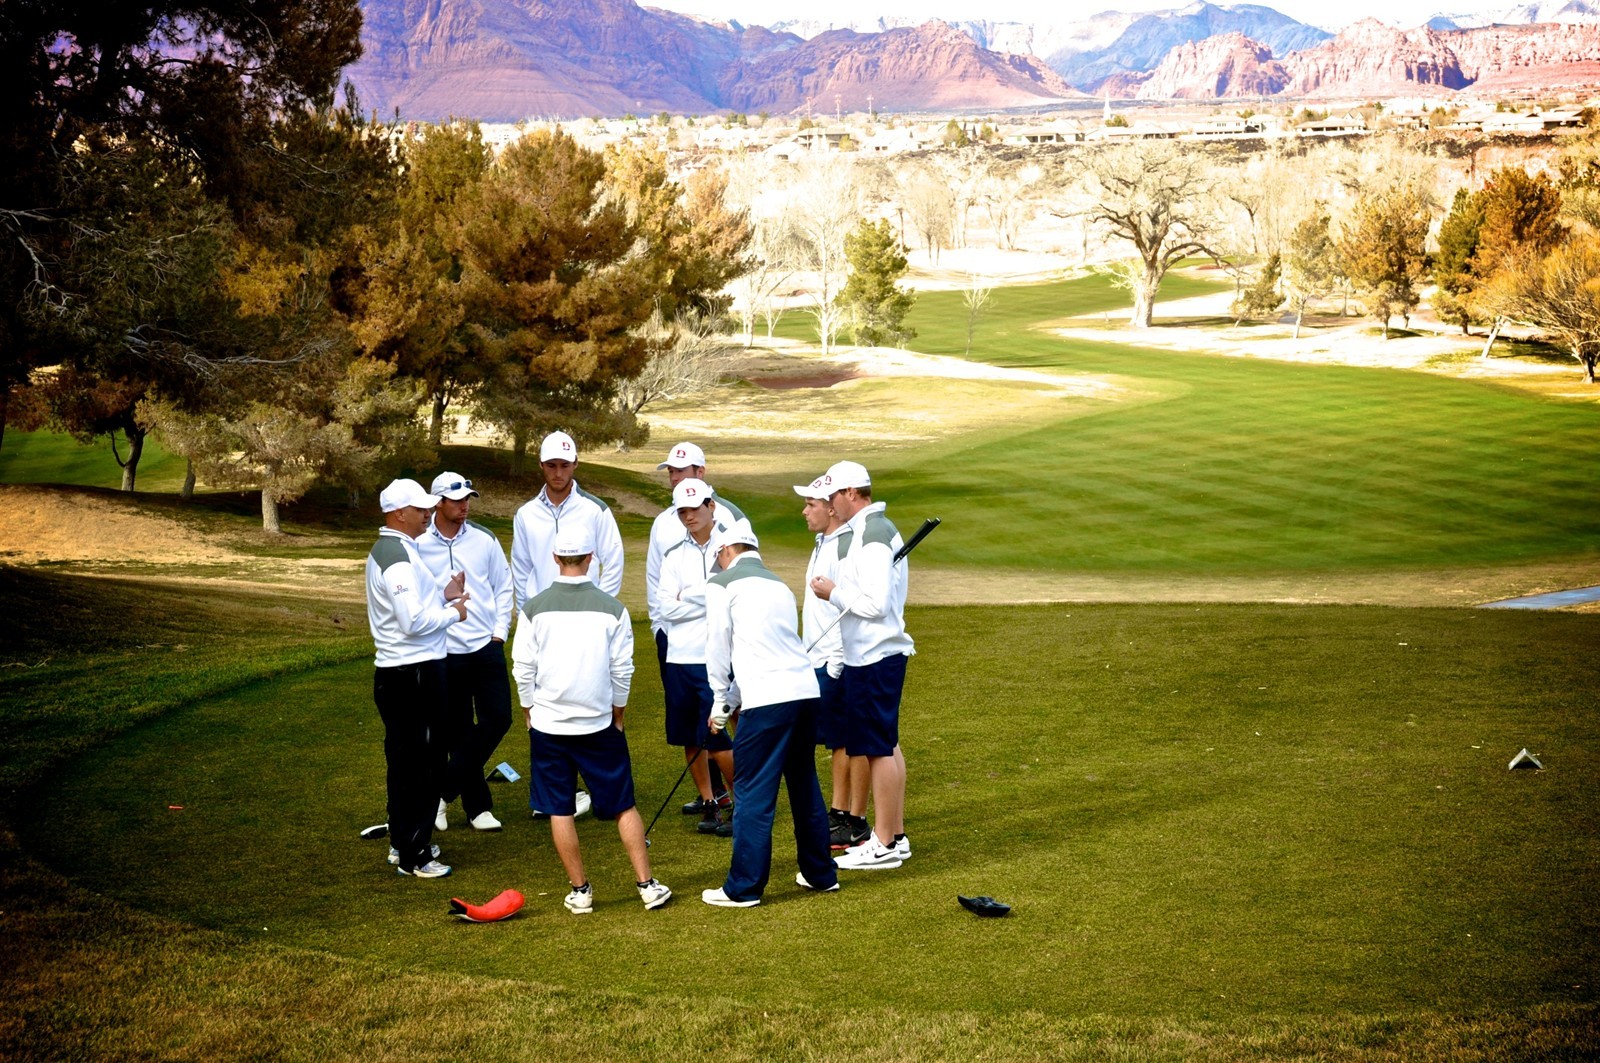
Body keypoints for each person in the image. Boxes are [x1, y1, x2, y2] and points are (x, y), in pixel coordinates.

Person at [511, 526, 670, 914]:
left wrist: (529, 708)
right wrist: (619, 711)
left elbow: (523, 668)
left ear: (555, 558)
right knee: (622, 805)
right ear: (590, 558)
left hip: (549, 725)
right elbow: (622, 670)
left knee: (559, 808)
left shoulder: (533, 607)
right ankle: (646, 885)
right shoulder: (612, 609)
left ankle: (580, 891)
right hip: (599, 724)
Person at [700, 519, 839, 907]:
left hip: (769, 701)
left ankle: (743, 888)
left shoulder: (721, 584)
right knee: (803, 782)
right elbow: (760, 649)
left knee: (753, 792)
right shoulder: (777, 583)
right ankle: (820, 874)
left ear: (727, 552)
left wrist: (716, 699)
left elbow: (717, 646)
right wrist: (729, 701)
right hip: (804, 693)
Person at [808, 460, 913, 872]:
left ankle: (884, 841)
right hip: (872, 654)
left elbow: (875, 603)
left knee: (877, 749)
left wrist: (833, 592)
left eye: (834, 496)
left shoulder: (871, 534)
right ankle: (895, 835)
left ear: (852, 493)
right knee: (885, 744)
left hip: (874, 654)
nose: (831, 506)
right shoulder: (869, 530)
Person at [511, 430, 621, 818]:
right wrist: (530, 617)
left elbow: (612, 562)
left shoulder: (595, 510)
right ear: (542, 466)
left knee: (594, 694)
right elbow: (520, 569)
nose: (558, 472)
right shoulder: (526, 514)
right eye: (552, 465)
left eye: (565, 465)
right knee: (544, 699)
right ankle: (558, 791)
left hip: (588, 620)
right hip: (544, 621)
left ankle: (603, 790)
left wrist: (597, 609)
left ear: (576, 465)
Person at [366, 478, 469, 878]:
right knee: (421, 764)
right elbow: (411, 621)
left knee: (408, 759)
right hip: (413, 673)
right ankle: (414, 853)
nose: (429, 513)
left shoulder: (400, 548)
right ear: (398, 514)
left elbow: (416, 604)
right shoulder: (395, 554)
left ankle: (404, 841)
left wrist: (444, 595)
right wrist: (454, 614)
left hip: (410, 670)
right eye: (421, 508)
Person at [645, 441, 742, 818]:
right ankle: (709, 799)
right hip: (677, 647)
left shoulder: (730, 528)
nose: (675, 478)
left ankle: (741, 798)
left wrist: (693, 595)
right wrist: (668, 619)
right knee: (688, 732)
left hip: (718, 646)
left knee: (718, 728)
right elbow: (664, 600)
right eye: (671, 472)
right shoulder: (668, 538)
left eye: (682, 472)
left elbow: (731, 587)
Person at [415, 471, 513, 834]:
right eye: (456, 500)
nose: (464, 506)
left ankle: (442, 793)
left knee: (498, 719)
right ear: (438, 502)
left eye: (467, 499)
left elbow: (504, 588)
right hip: (444, 649)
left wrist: (499, 634)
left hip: (486, 646)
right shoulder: (419, 544)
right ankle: (478, 808)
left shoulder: (484, 540)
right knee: (458, 731)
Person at [794, 473, 869, 850]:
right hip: (819, 657)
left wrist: (837, 660)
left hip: (835, 658)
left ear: (830, 507)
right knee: (836, 741)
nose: (805, 511)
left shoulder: (842, 547)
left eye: (811, 504)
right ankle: (841, 813)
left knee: (845, 741)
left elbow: (846, 608)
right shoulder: (824, 541)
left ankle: (849, 818)